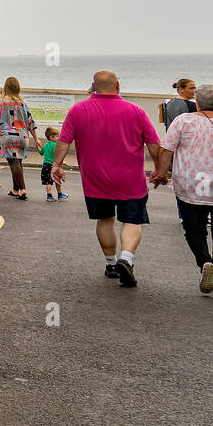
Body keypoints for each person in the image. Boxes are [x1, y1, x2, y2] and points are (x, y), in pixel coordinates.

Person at [52, 70, 163, 287]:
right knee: (132, 220)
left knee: (105, 220)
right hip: (130, 179)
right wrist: (159, 169)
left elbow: (63, 141)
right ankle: (126, 258)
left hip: (94, 179)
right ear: (118, 87)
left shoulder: (77, 110)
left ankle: (111, 263)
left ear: (93, 87)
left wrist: (56, 165)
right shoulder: (136, 111)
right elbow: (154, 145)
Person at [151, 83, 213, 293]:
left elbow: (166, 149)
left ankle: (205, 261)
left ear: (197, 102)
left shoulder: (183, 121)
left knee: (194, 229)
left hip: (192, 185)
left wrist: (161, 174)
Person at [0, 77, 41, 199]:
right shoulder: (23, 103)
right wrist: (36, 138)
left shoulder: (0, 102)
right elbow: (30, 122)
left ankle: (23, 189)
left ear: (5, 88)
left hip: (7, 136)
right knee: (18, 162)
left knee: (13, 163)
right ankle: (15, 189)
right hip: (23, 136)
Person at [163, 78, 198, 221]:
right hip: (189, 149)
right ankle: (197, 213)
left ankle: (182, 214)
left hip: (175, 148)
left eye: (195, 88)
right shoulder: (191, 106)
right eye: (191, 88)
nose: (194, 91)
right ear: (181, 89)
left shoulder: (169, 104)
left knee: (181, 182)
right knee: (195, 181)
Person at [40, 126, 68, 201]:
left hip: (45, 166)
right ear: (51, 137)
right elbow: (58, 156)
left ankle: (49, 196)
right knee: (57, 180)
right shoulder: (56, 145)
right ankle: (60, 194)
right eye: (57, 136)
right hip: (53, 166)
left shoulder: (46, 145)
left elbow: (41, 152)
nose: (59, 138)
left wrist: (38, 146)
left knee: (48, 182)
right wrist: (63, 162)